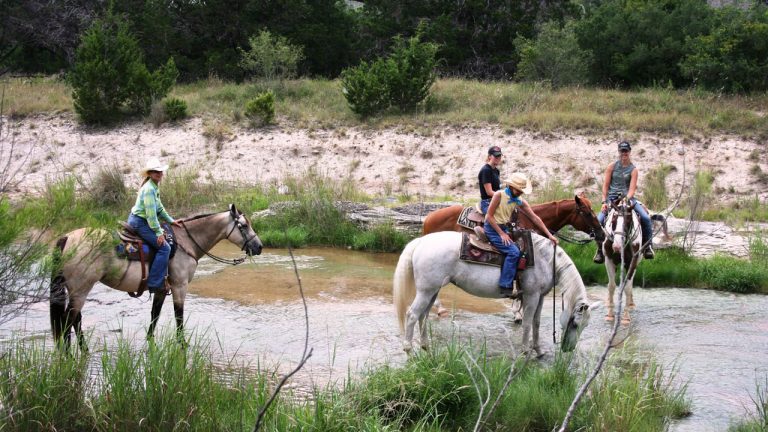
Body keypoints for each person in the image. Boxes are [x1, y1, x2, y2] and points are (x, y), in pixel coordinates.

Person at [485, 172, 558, 298]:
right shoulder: (499, 195)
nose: (520, 192)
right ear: (511, 186)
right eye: (519, 190)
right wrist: (501, 234)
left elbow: (535, 218)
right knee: (513, 252)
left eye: (522, 190)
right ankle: (505, 285)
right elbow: (489, 217)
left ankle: (520, 282)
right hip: (492, 228)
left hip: (504, 227)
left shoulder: (518, 200)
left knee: (524, 248)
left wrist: (549, 235)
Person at [593, 141, 655, 263]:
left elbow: (632, 189)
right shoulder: (611, 166)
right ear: (619, 152)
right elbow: (605, 187)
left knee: (645, 218)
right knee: (598, 221)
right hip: (611, 199)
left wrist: (626, 199)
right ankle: (600, 250)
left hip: (628, 199)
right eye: (622, 151)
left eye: (626, 151)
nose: (624, 153)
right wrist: (604, 202)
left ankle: (648, 246)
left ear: (629, 152)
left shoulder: (633, 170)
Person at [127, 157, 176, 293]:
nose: (159, 174)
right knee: (164, 248)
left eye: (160, 171)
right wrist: (158, 233)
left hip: (140, 220)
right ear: (149, 173)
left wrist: (171, 220)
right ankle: (155, 283)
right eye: (155, 172)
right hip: (140, 222)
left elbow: (159, 208)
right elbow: (151, 215)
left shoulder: (154, 186)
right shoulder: (149, 189)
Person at [478, 146, 503, 214]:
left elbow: (497, 189)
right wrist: (504, 196)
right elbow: (489, 192)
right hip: (487, 202)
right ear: (489, 157)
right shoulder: (486, 170)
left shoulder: (496, 171)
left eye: (499, 156)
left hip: (496, 200)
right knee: (497, 218)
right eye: (496, 156)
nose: (498, 158)